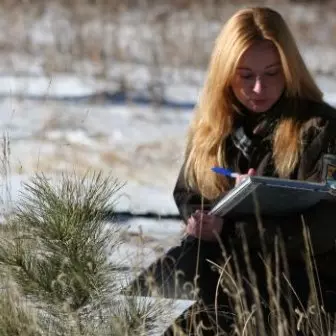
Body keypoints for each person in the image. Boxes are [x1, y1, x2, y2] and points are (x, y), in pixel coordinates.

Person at [125, 6, 336, 335]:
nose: (257, 88)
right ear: (225, 73)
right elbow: (189, 193)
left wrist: (240, 222)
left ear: (290, 69)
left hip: (307, 298)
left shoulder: (321, 127)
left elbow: (328, 224)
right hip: (228, 290)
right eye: (245, 75)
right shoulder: (212, 128)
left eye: (271, 73)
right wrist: (205, 219)